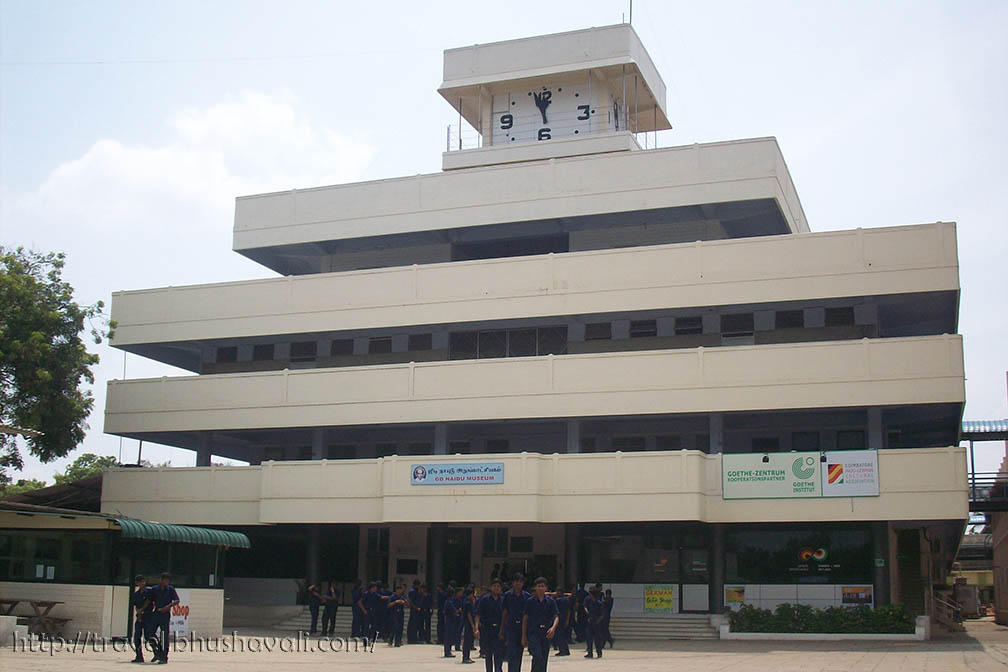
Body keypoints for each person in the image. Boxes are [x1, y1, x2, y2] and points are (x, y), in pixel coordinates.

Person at [522, 577, 559, 672]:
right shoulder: (530, 602)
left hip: (546, 633)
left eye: (542, 586)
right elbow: (525, 619)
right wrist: (524, 636)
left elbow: (556, 616)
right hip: (534, 633)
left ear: (546, 588)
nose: (540, 588)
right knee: (537, 655)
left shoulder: (550, 601)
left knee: (544, 659)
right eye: (539, 586)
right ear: (535, 588)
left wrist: (553, 628)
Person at [148, 572, 180, 664]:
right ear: (160, 580)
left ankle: (164, 657)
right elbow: (150, 600)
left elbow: (177, 600)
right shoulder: (154, 589)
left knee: (164, 635)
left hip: (165, 614)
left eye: (168, 580)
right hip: (156, 613)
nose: (166, 582)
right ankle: (157, 651)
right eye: (164, 580)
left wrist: (167, 607)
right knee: (149, 632)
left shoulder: (170, 589)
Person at [500, 573, 529, 672]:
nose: (518, 584)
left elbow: (528, 615)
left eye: (520, 582)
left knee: (519, 653)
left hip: (521, 628)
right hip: (511, 627)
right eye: (516, 581)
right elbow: (505, 612)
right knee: (511, 653)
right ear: (513, 583)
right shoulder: (508, 595)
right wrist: (502, 629)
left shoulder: (526, 596)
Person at [474, 578, 505, 672]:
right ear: (491, 587)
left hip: (499, 630)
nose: (496, 588)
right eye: (494, 586)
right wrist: (476, 629)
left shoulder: (503, 600)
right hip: (487, 630)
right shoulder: (484, 599)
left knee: (499, 654)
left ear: (501, 588)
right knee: (488, 654)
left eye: (498, 586)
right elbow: (478, 614)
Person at [130, 575, 156, 663]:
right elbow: (136, 606)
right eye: (138, 582)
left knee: (149, 636)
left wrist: (142, 609)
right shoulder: (136, 594)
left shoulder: (149, 591)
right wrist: (139, 615)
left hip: (149, 615)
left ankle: (157, 653)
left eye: (142, 581)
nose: (140, 583)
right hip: (140, 616)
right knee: (137, 636)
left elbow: (149, 601)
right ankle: (139, 656)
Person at [582, 587, 603, 659]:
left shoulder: (599, 603)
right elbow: (584, 606)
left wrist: (598, 621)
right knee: (589, 638)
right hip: (589, 622)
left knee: (597, 639)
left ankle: (599, 653)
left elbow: (602, 614)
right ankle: (590, 653)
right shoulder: (588, 600)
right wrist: (587, 612)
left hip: (596, 623)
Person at [442, 586, 462, 658]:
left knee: (449, 636)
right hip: (450, 621)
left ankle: (448, 651)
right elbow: (454, 611)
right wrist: (458, 611)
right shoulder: (449, 602)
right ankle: (447, 652)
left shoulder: (448, 601)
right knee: (448, 637)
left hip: (449, 620)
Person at [551, 586, 571, 656]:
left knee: (559, 636)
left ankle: (562, 650)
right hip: (565, 618)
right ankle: (566, 650)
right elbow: (569, 610)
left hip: (559, 619)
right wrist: (567, 620)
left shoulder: (557, 600)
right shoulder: (567, 599)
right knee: (563, 635)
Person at [461, 588, 477, 664]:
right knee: (467, 640)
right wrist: (472, 625)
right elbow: (469, 614)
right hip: (468, 623)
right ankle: (465, 657)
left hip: (468, 623)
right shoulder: (468, 603)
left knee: (469, 640)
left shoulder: (468, 602)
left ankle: (467, 656)